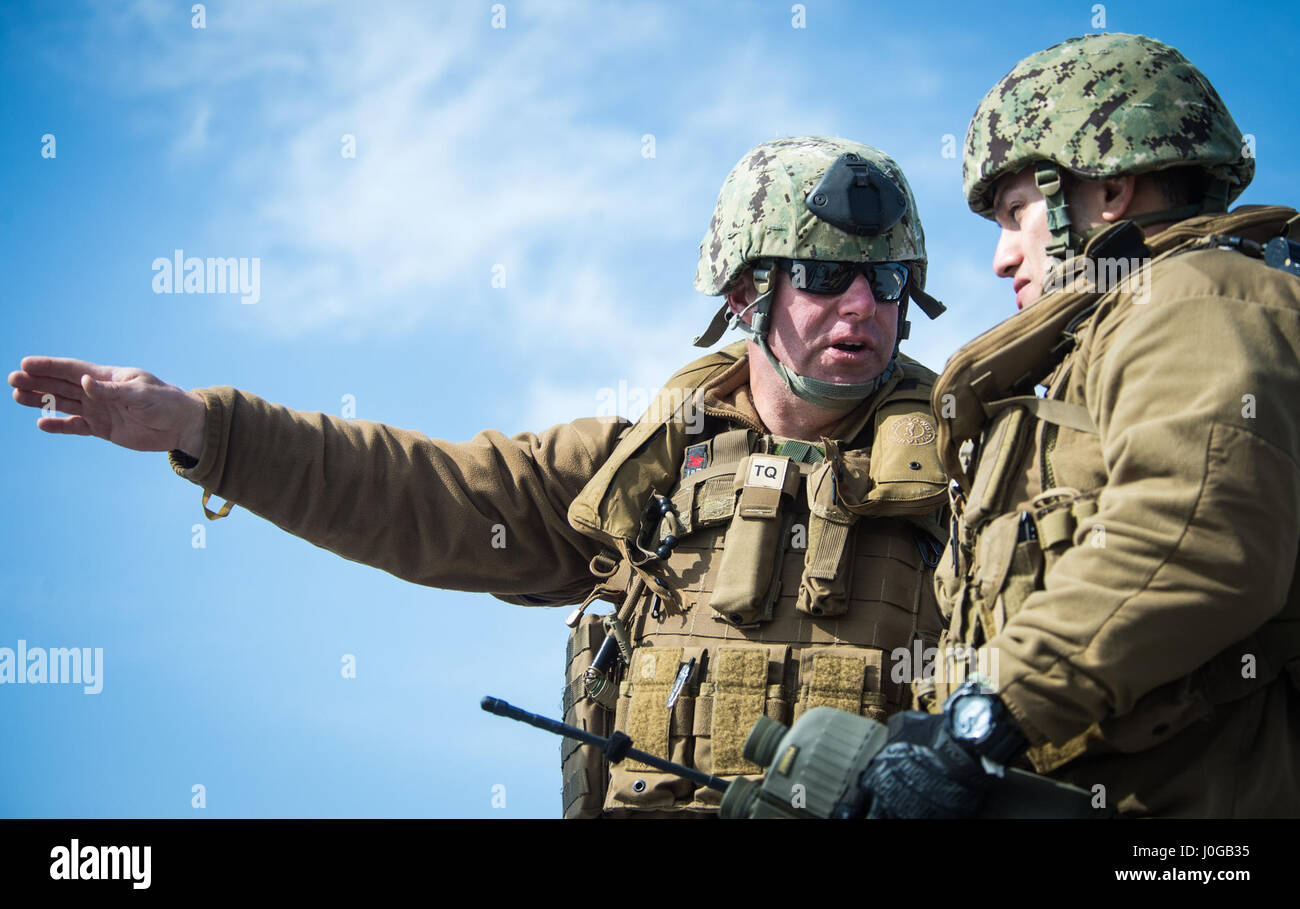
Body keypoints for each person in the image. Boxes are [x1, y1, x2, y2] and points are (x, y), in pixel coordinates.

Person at [10, 136, 950, 818]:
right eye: (825, 275)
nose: (861, 304)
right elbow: (418, 494)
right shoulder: (639, 475)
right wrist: (208, 429)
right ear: (747, 293)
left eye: (887, 281)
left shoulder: (975, 468)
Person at [858, 33, 1300, 819]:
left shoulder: (1199, 297)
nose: (1000, 257)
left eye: (1015, 211)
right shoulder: (1097, 345)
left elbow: (1198, 530)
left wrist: (980, 717)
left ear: (1110, 188)